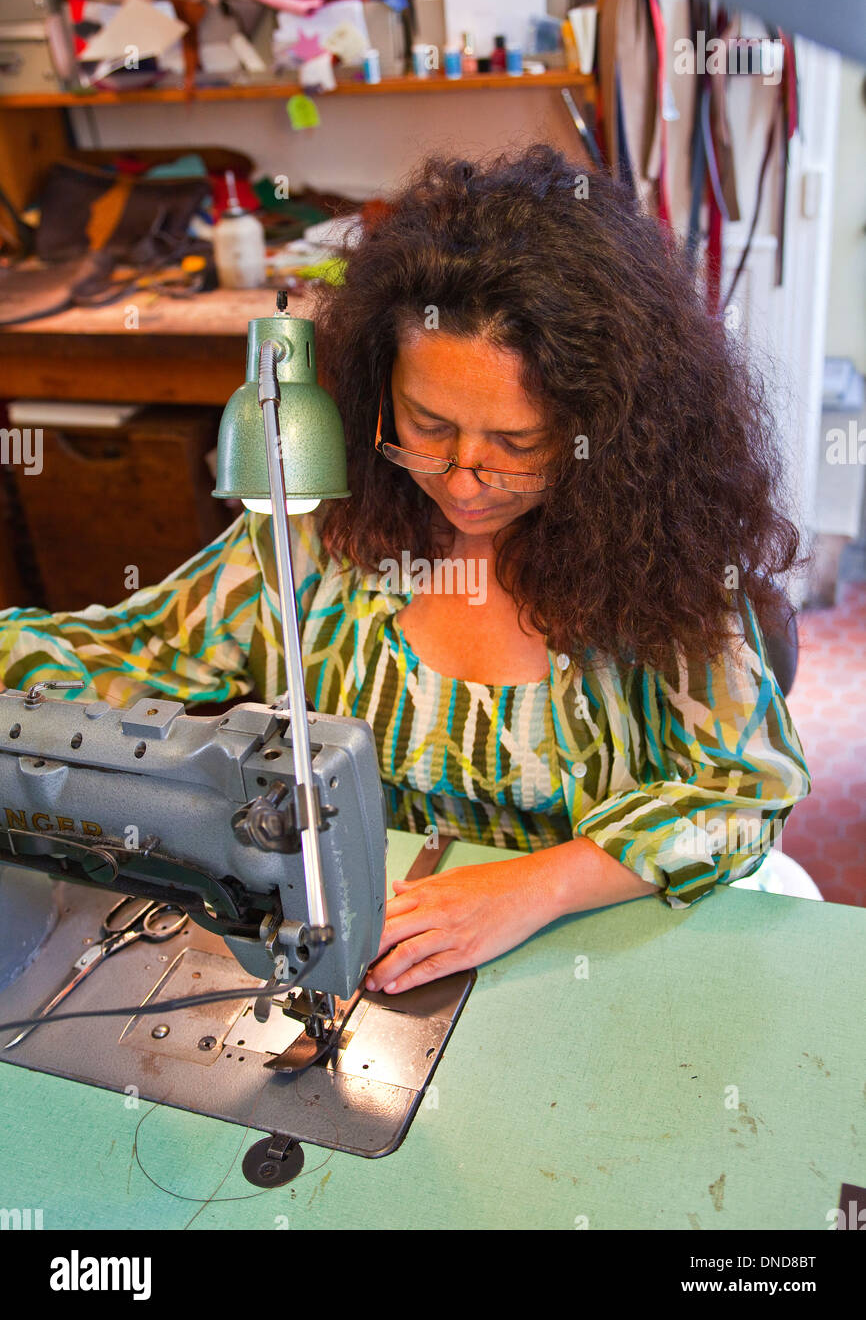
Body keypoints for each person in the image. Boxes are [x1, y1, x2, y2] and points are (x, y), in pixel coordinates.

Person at [0, 145, 811, 995]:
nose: (463, 480)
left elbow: (746, 794)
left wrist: (542, 884)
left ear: (602, 428)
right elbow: (130, 645)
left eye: (517, 445)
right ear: (375, 390)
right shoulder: (322, 538)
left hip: (585, 969)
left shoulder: (661, 569)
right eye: (427, 425)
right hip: (385, 956)